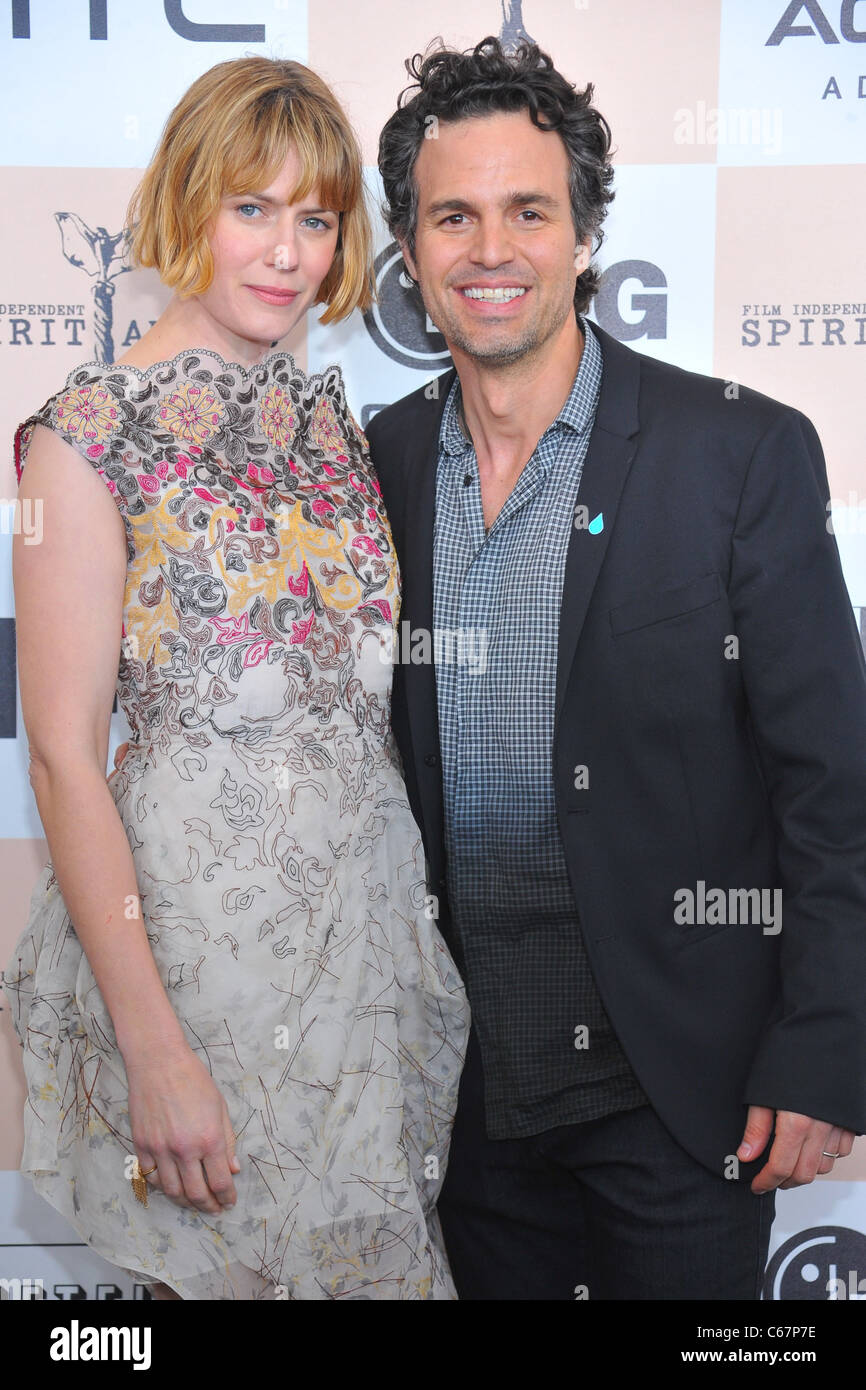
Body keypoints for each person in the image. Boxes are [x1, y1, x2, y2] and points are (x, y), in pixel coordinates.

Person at [364, 36, 866, 1300]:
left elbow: (833, 785)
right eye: (453, 217)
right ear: (410, 254)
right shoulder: (377, 461)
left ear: (583, 236)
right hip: (463, 1094)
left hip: (684, 1092)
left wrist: (822, 1051)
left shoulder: (736, 450)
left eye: (528, 211)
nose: (490, 250)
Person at [6, 54, 468, 1301]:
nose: (286, 253)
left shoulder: (334, 426)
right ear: (184, 204)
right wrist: (154, 1048)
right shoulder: (82, 436)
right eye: (250, 209)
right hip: (196, 976)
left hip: (363, 964)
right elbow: (60, 754)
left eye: (314, 219)